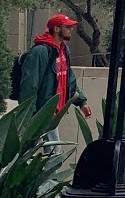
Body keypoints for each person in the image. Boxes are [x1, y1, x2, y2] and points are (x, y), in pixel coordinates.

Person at [17, 14, 92, 153]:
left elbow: (69, 79)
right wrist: (29, 115)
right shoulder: (40, 52)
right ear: (57, 29)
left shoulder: (63, 51)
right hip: (41, 112)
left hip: (53, 113)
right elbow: (29, 85)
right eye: (67, 27)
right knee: (46, 152)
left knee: (51, 151)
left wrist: (81, 102)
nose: (71, 30)